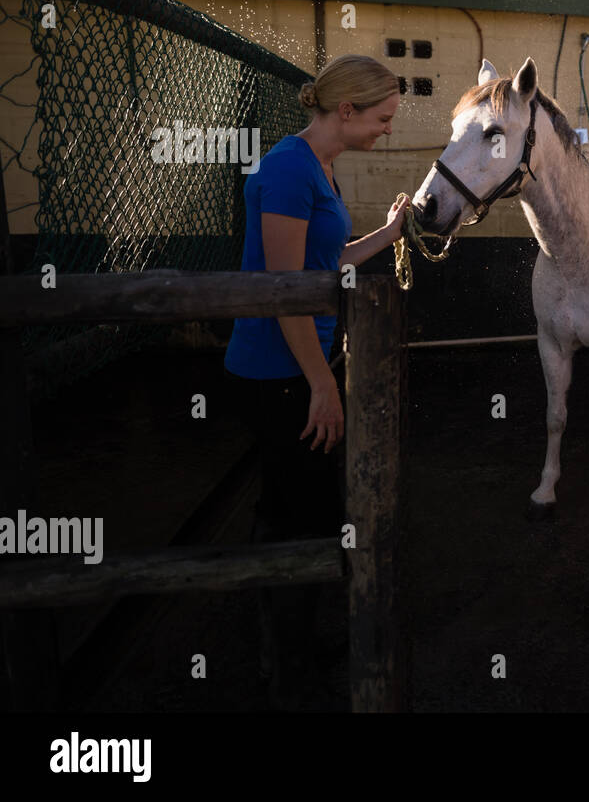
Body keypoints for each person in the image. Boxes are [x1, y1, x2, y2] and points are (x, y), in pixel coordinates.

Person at [223, 54, 410, 708]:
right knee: (304, 516)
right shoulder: (286, 167)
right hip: (277, 371)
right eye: (382, 118)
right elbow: (285, 291)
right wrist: (322, 387)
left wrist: (388, 233)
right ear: (348, 110)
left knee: (298, 505)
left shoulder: (319, 167)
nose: (388, 129)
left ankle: (287, 643)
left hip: (300, 367)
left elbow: (326, 259)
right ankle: (291, 667)